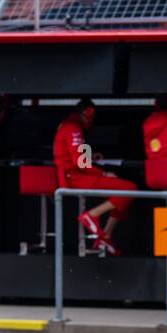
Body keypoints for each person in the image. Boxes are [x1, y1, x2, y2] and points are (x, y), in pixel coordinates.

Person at [53, 98, 136, 255]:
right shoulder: (73, 128)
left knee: (124, 192)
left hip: (72, 176)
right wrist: (104, 173)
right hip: (75, 178)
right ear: (86, 114)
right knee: (129, 188)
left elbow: (74, 156)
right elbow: (80, 162)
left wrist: (91, 157)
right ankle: (91, 215)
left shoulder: (69, 125)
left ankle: (105, 236)